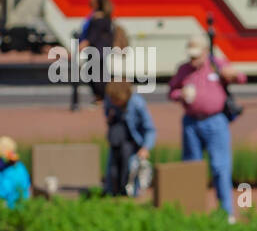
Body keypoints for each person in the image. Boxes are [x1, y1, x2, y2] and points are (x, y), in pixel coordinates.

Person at [167, 35, 246, 221]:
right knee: (191, 168)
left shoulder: (216, 64)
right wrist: (180, 94)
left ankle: (226, 213)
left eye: (196, 56)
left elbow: (241, 78)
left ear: (205, 52)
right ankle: (192, 211)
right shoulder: (183, 70)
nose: (193, 60)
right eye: (190, 56)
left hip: (215, 122)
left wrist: (233, 74)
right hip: (191, 122)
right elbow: (171, 91)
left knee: (220, 167)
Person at [103, 79, 156, 197]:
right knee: (113, 169)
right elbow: (107, 113)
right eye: (112, 99)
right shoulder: (110, 99)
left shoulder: (137, 104)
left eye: (116, 100)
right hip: (117, 140)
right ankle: (112, 191)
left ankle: (130, 193)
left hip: (132, 141)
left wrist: (145, 148)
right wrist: (109, 118)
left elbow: (149, 128)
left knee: (129, 168)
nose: (113, 102)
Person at [78, 0, 119, 105]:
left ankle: (104, 97)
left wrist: (86, 42)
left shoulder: (100, 17)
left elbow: (94, 34)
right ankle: (102, 97)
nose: (90, 1)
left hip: (97, 49)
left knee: (95, 74)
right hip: (97, 49)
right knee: (96, 73)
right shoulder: (97, 15)